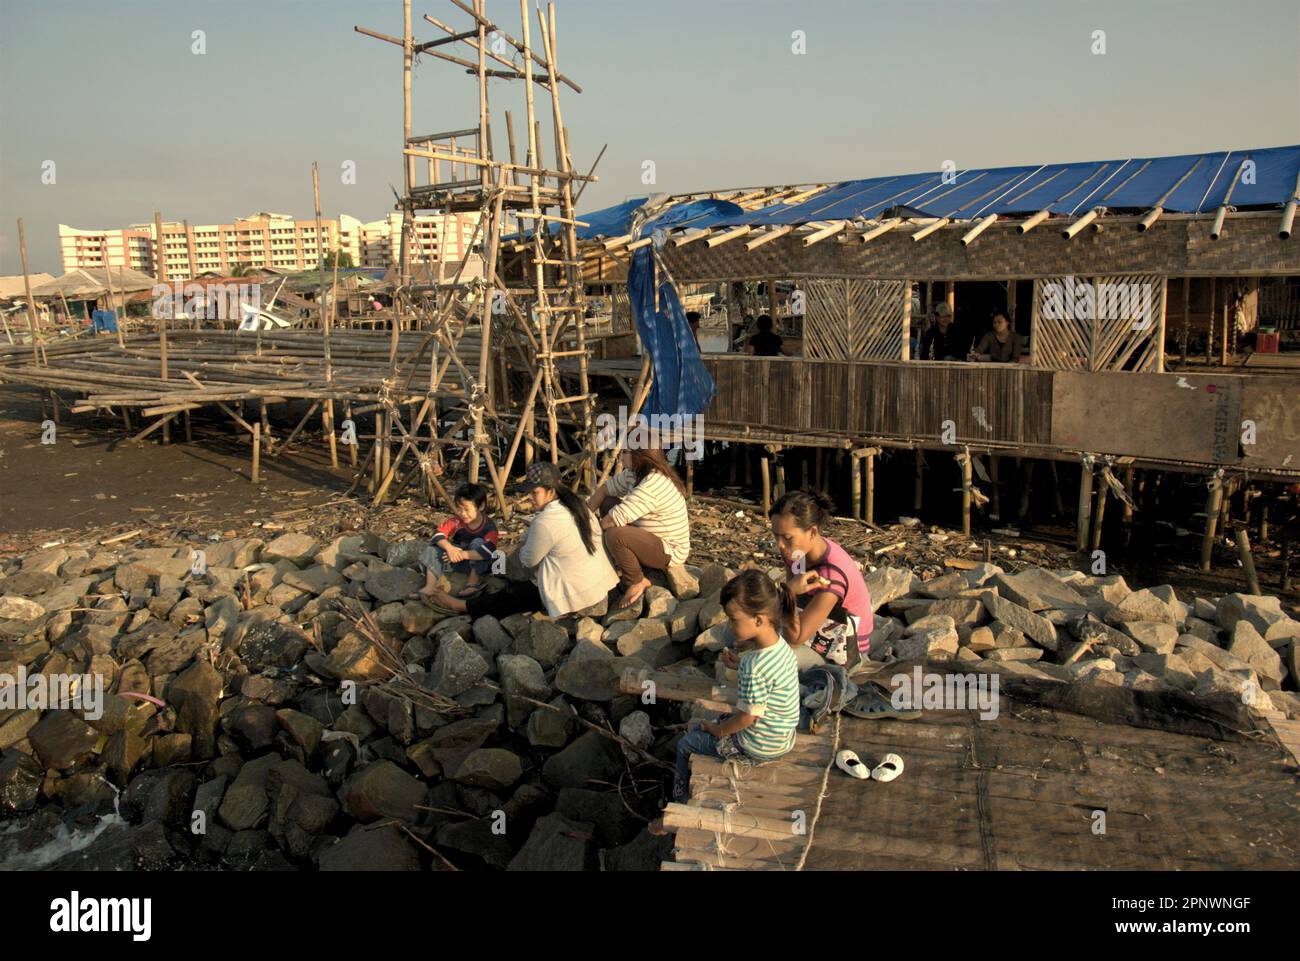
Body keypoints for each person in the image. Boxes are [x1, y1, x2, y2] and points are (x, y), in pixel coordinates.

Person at [662, 570, 800, 808]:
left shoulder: (754, 666)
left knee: (688, 741)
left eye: (733, 619)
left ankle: (679, 796)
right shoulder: (779, 644)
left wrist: (718, 731)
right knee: (706, 724)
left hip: (759, 747)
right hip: (783, 737)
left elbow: (748, 717)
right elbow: (768, 682)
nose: (729, 625)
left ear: (758, 619)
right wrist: (740, 664)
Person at [423, 462, 618, 619]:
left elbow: (527, 561)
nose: (530, 498)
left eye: (535, 493)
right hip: (599, 580)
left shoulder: (546, 521)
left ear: (551, 491)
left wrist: (526, 547)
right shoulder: (579, 505)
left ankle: (462, 606)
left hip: (577, 592)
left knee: (513, 595)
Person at [756, 490, 873, 668]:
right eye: (775, 535)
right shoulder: (796, 552)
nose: (779, 545)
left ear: (812, 532)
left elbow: (795, 638)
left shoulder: (831, 575)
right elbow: (792, 605)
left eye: (787, 537)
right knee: (743, 628)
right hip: (812, 623)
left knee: (771, 658)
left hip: (842, 648)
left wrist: (788, 592)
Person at [588, 446, 691, 609]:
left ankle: (636, 581)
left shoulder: (654, 482)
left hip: (669, 549)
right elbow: (605, 490)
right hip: (648, 535)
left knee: (614, 535)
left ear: (640, 455)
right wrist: (584, 517)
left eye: (626, 452)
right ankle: (619, 560)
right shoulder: (634, 474)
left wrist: (587, 537)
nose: (621, 456)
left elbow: (612, 520)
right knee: (608, 501)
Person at [414, 482, 499, 600]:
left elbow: (487, 551)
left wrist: (461, 555)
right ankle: (430, 586)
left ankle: (472, 582)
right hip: (457, 559)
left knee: (478, 542)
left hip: (479, 561)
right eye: (459, 509)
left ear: (481, 506)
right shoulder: (457, 521)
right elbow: (437, 535)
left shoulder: (489, 527)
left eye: (466, 509)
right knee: (432, 550)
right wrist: (450, 549)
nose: (462, 513)